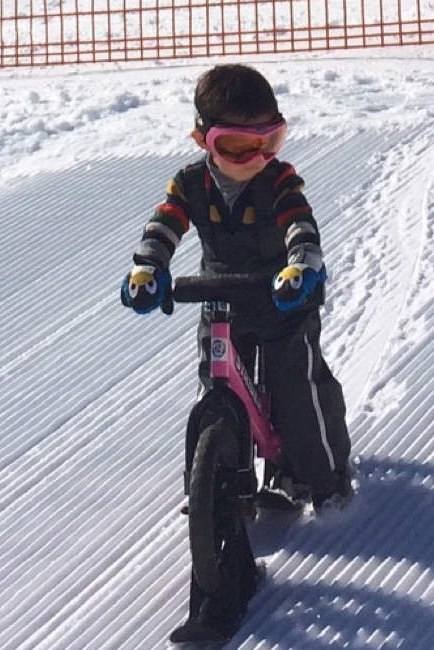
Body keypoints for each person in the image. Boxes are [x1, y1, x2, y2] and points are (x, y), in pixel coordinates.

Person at [121, 63, 352, 511]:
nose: (255, 158)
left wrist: (302, 264)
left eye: (267, 142)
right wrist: (148, 267)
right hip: (221, 299)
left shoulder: (278, 180)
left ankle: (326, 475)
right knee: (215, 388)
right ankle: (216, 480)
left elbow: (299, 225)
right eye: (237, 146)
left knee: (295, 388)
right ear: (202, 139)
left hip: (283, 298)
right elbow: (164, 225)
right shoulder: (190, 184)